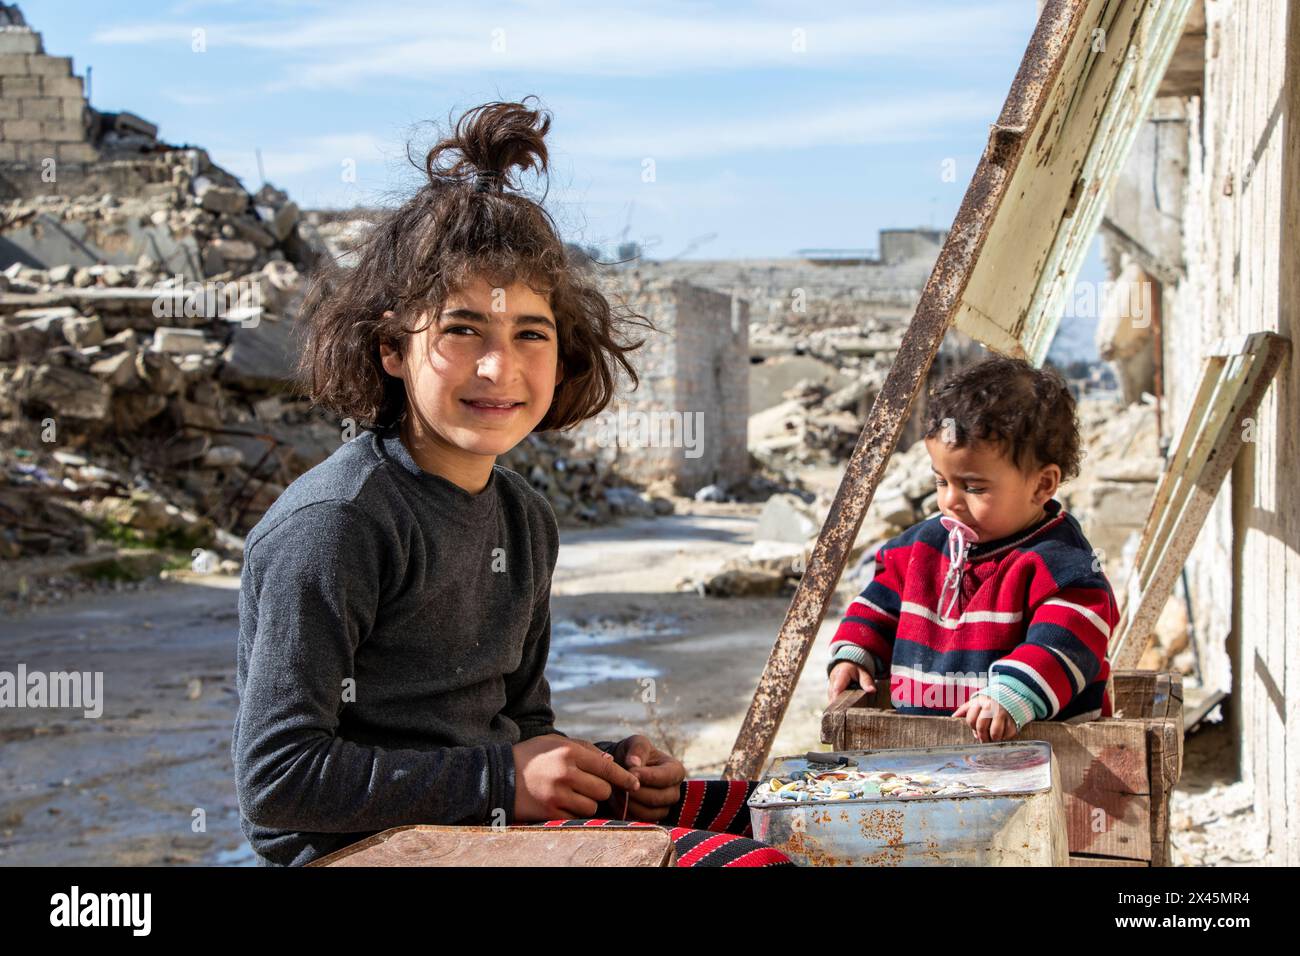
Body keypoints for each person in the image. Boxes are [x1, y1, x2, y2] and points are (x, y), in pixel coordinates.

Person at [231, 98, 791, 867]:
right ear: (392, 347)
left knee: (774, 813)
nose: (500, 368)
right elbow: (279, 780)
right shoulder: (339, 524)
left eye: (531, 334)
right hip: (360, 851)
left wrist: (601, 764)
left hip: (477, 827)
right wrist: (505, 780)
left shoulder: (525, 521)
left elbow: (517, 726)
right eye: (462, 331)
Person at [826, 356, 1117, 743]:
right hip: (927, 749)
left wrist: (1012, 694)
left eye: (974, 487)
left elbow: (1067, 641)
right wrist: (855, 650)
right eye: (940, 481)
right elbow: (879, 602)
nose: (951, 501)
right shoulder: (921, 548)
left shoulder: (1059, 563)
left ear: (1042, 485)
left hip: (1040, 753)